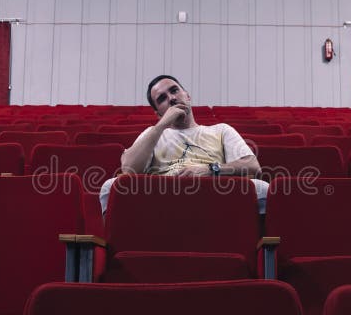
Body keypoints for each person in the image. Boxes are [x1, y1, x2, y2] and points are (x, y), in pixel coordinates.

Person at [99, 75, 268, 213]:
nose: (172, 98)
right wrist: (161, 126)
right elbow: (128, 170)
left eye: (174, 91)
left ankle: (264, 251)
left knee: (263, 188)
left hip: (213, 192)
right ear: (158, 113)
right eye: (162, 99)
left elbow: (252, 166)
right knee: (110, 186)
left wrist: (210, 169)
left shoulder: (221, 130)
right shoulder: (153, 133)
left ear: (187, 95)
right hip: (162, 197)